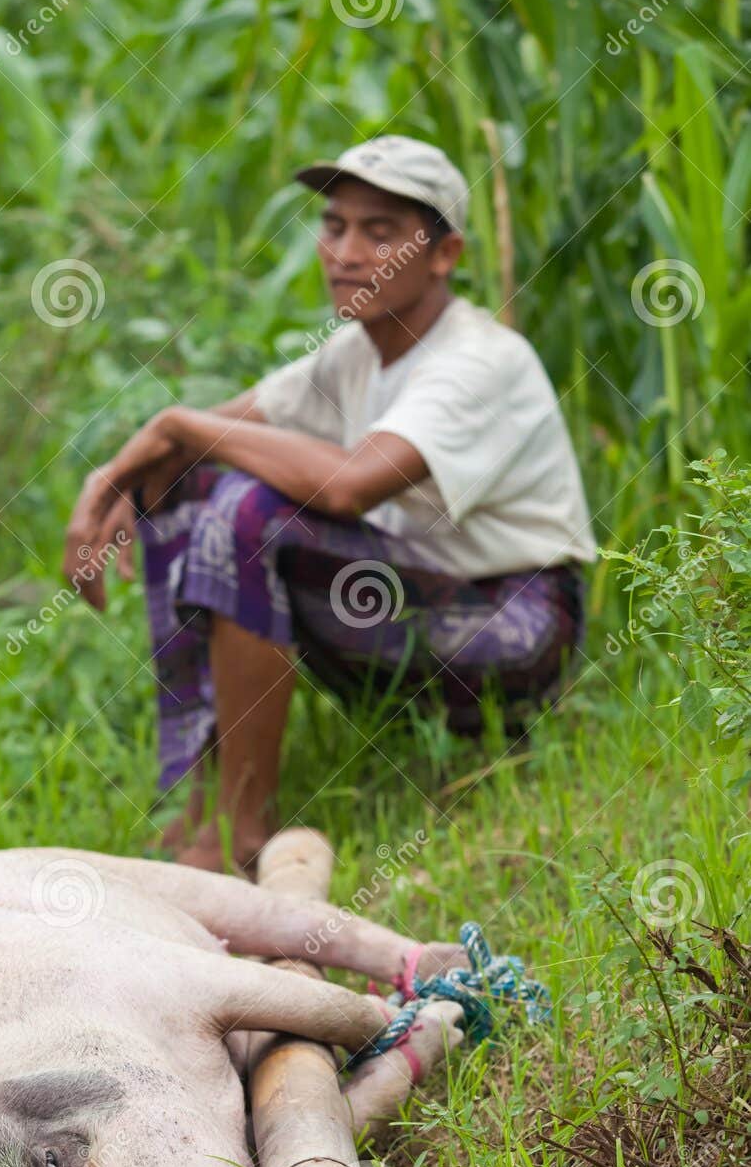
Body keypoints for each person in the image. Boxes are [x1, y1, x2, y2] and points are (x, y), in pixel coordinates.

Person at [63, 135, 595, 873]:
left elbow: (348, 484)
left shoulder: (477, 360)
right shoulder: (354, 351)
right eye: (334, 225)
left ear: (443, 255)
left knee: (246, 515)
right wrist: (118, 478)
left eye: (380, 232)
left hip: (515, 632)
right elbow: (189, 448)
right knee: (193, 485)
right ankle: (195, 797)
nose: (345, 251)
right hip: (412, 598)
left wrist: (176, 425)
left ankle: (241, 831)